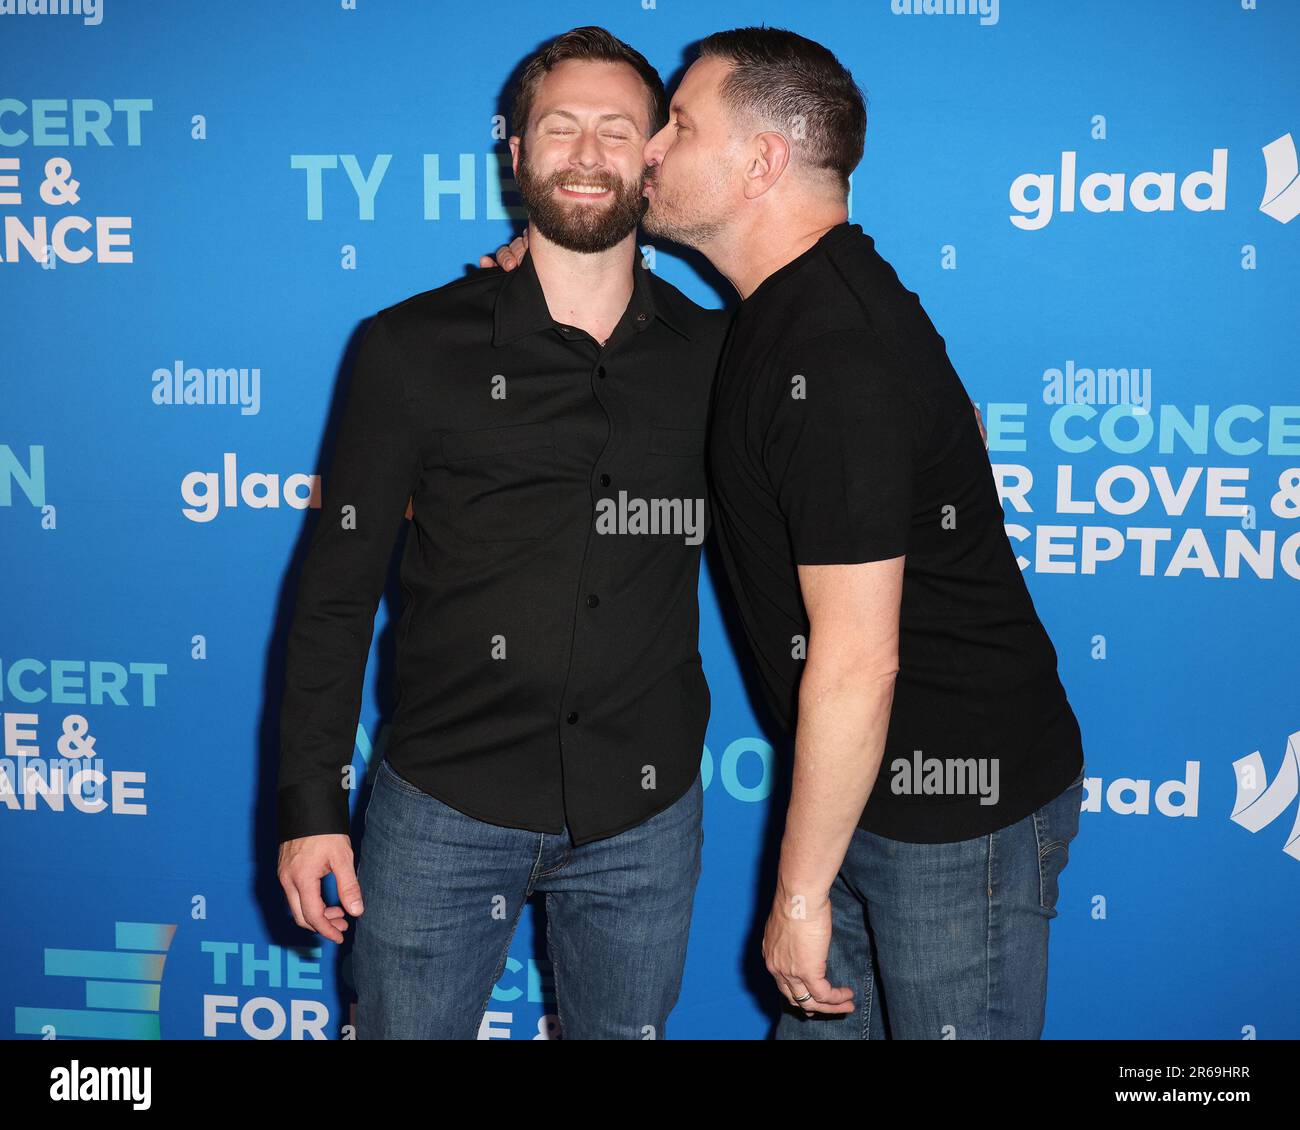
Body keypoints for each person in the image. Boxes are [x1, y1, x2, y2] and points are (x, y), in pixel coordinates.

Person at [275, 26, 727, 1039]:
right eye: (558, 127)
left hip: (641, 815)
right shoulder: (407, 347)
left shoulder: (720, 355)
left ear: (653, 158)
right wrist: (310, 805)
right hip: (442, 804)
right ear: (514, 155)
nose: (585, 151)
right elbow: (335, 588)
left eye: (617, 130)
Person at [635, 27, 1085, 1039]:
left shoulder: (832, 348)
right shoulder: (799, 307)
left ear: (760, 161)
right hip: (868, 792)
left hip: (951, 815)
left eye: (678, 122)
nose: (652, 147)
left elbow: (854, 663)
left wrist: (797, 896)